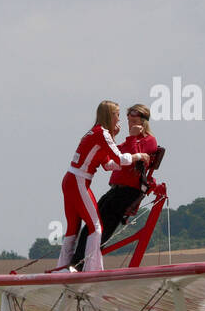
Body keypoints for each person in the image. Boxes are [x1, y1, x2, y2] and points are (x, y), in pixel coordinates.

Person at [55, 101, 150, 273]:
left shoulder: (96, 132)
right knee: (96, 227)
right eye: (117, 115)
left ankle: (63, 268)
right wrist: (139, 156)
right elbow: (120, 159)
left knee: (73, 228)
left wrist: (116, 142)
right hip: (79, 181)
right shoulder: (103, 133)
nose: (119, 119)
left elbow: (108, 165)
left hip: (71, 180)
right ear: (110, 115)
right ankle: (91, 269)